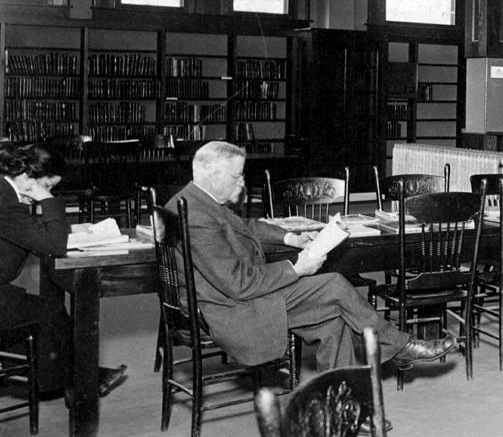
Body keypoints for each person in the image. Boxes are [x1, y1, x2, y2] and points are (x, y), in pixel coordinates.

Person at [165, 140, 459, 375]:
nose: (242, 182)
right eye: (236, 175)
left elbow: (242, 227)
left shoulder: (193, 201)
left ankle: (345, 404)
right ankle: (399, 345)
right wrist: (297, 268)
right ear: (212, 174)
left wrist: (287, 236)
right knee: (333, 284)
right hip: (231, 311)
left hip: (233, 301)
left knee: (333, 319)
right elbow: (239, 284)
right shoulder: (197, 218)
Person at [0, 142, 127, 399]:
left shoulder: (6, 191)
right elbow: (55, 245)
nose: (46, 192)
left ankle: (78, 377)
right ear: (27, 177)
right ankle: (79, 381)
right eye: (46, 186)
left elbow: (21, 228)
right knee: (50, 311)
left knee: (48, 310)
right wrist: (47, 199)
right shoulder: (6, 200)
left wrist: (63, 227)